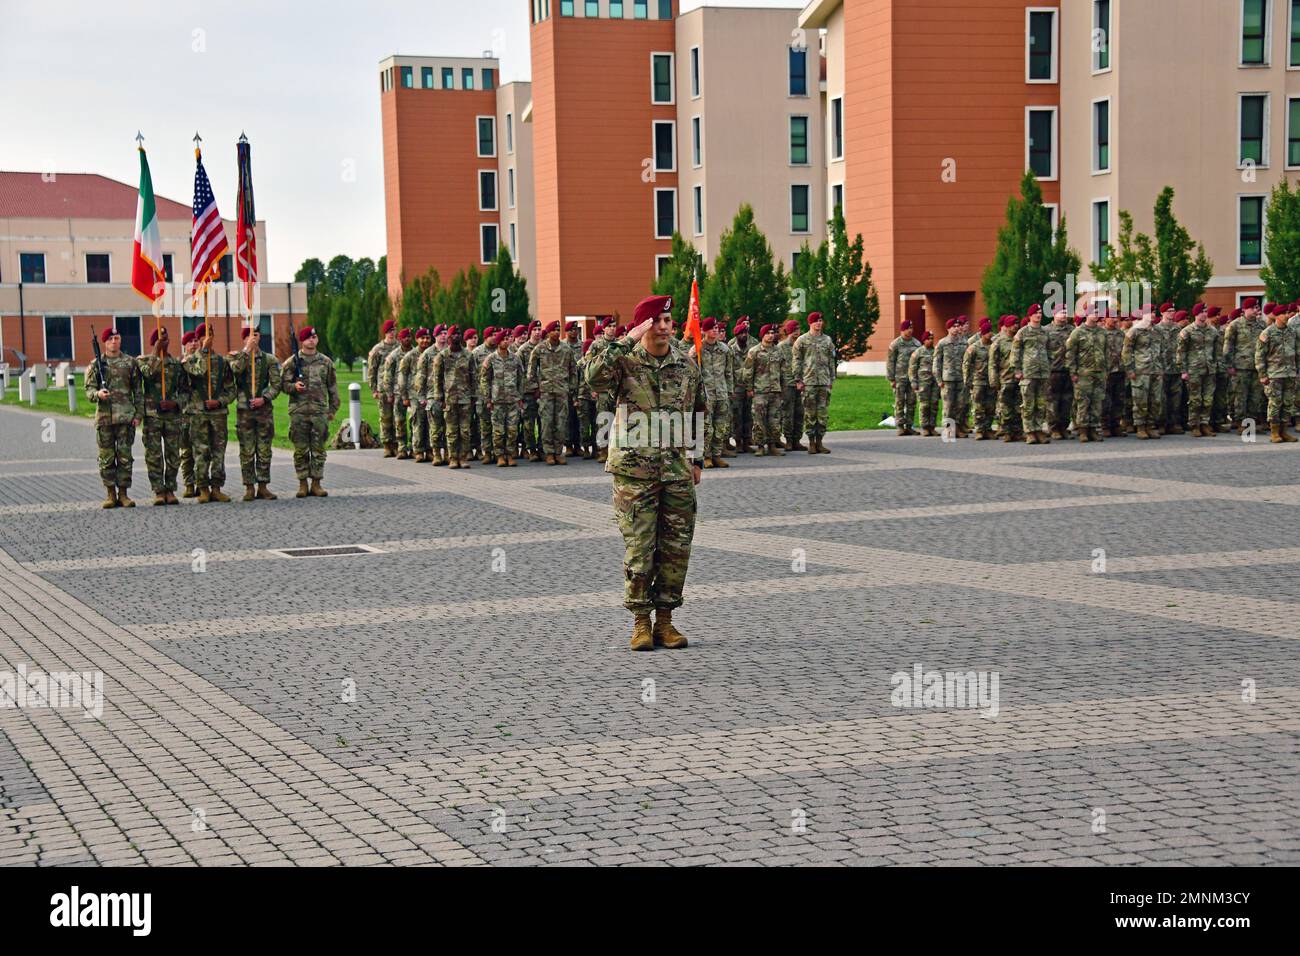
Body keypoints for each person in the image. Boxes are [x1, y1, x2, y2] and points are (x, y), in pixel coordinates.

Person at [585, 294, 704, 652]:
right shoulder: (623, 361)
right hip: (634, 473)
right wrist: (627, 337)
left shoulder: (685, 363)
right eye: (658, 321)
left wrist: (697, 459)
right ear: (644, 325)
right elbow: (593, 376)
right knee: (640, 549)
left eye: (669, 321)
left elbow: (699, 410)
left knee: (675, 548)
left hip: (676, 470)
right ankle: (640, 622)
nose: (666, 328)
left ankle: (665, 621)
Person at [86, 326, 143, 508]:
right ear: (104, 342)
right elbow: (88, 390)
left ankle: (124, 494)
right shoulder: (96, 365)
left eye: (117, 338)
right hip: (104, 418)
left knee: (125, 457)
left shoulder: (130, 363)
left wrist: (138, 414)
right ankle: (111, 494)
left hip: (126, 417)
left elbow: (138, 391)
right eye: (110, 339)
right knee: (106, 457)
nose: (114, 342)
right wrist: (98, 394)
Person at [280, 324, 340, 496]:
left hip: (319, 412)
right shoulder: (292, 362)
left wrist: (332, 409)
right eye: (308, 338)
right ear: (302, 341)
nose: (312, 340)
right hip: (298, 411)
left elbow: (333, 387)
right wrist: (293, 386)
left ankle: (316, 483)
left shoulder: (326, 362)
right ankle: (302, 484)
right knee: (300, 450)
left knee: (319, 449)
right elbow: (282, 385)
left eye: (314, 337)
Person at [183, 321, 236, 502]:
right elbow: (198, 371)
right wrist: (203, 352)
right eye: (205, 335)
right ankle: (203, 488)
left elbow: (231, 389)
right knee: (200, 452)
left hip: (218, 415)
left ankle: (216, 487)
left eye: (211, 334)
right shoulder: (190, 359)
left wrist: (220, 402)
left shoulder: (222, 362)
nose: (209, 338)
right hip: (198, 414)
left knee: (218, 452)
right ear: (198, 339)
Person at [228, 323, 282, 500]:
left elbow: (276, 385)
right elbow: (235, 370)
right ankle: (249, 487)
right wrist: (246, 350)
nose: (254, 338)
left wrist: (264, 398)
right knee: (247, 450)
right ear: (244, 338)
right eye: (250, 335)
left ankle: (263, 485)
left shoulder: (270, 360)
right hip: (245, 411)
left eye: (257, 335)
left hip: (263, 411)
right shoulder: (236, 357)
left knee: (264, 449)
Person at [137, 327, 187, 505]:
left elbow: (185, 392)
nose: (164, 341)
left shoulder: (175, 364)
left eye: (166, 339)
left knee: (173, 454)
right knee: (154, 454)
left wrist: (175, 403)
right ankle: (158, 490)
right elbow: (147, 373)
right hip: (152, 415)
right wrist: (155, 352)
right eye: (160, 339)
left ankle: (171, 489)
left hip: (172, 416)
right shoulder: (144, 360)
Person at [528, 320, 578, 465]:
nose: (556, 332)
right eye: (554, 330)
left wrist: (571, 388)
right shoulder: (539, 349)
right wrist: (535, 388)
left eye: (558, 329)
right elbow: (531, 371)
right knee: (546, 423)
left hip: (562, 391)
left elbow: (573, 370)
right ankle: (549, 453)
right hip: (546, 392)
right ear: (548, 333)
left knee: (561, 422)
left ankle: (558, 452)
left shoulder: (566, 349)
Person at [792, 311, 836, 453]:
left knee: (822, 413)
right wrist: (798, 380)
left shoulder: (827, 340)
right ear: (810, 323)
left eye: (821, 320)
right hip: (808, 381)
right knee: (810, 414)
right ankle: (811, 442)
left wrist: (831, 379)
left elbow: (831, 360)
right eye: (816, 321)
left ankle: (820, 442)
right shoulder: (802, 340)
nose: (819, 323)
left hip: (823, 381)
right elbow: (797, 361)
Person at [1256, 304, 1299, 442]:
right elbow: (1259, 356)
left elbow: (1297, 352)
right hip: (1274, 374)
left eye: (1287, 313)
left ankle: (1284, 431)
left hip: (1290, 373)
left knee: (1288, 403)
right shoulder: (1267, 333)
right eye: (1284, 313)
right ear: (1277, 316)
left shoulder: (1292, 332)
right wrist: (1262, 375)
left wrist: (1297, 370)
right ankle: (1274, 432)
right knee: (1275, 403)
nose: (1287, 316)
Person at [481, 331, 525, 466]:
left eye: (508, 339)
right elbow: (484, 379)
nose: (506, 341)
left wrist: (520, 396)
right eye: (503, 339)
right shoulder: (491, 359)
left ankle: (510, 454)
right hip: (497, 400)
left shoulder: (515, 358)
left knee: (512, 430)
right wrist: (488, 399)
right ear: (498, 342)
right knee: (498, 431)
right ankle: (499, 455)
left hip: (512, 400)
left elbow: (521, 378)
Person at [743, 323, 787, 456]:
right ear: (762, 335)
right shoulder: (754, 351)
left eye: (772, 333)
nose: (771, 335)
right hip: (760, 391)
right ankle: (760, 446)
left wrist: (783, 388)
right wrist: (749, 388)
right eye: (768, 333)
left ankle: (773, 445)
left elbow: (783, 371)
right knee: (759, 420)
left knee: (774, 420)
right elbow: (748, 371)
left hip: (775, 391)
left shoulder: (778, 351)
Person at [1010, 305, 1051, 444]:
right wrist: (1017, 370)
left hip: (1042, 372)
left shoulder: (1045, 332)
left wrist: (1048, 367)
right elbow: (1015, 352)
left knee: (1041, 404)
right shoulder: (1022, 332)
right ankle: (1029, 432)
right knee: (1028, 404)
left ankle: (1038, 429)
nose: (1038, 315)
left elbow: (1049, 351)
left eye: (1040, 313)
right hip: (1028, 373)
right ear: (1030, 315)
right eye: (1035, 313)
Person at [1065, 309, 1107, 442]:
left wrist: (1106, 370)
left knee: (1097, 401)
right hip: (1083, 373)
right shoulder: (1077, 332)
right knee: (1083, 401)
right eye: (1093, 313)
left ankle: (1093, 428)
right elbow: (1070, 353)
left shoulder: (1102, 332)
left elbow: (1106, 352)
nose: (1096, 315)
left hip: (1099, 372)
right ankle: (1082, 430)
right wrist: (1073, 371)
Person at [1178, 305, 1219, 437]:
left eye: (1206, 312)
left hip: (1209, 369)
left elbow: (1217, 351)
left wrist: (1217, 365)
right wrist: (1183, 370)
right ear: (1196, 314)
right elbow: (1181, 352)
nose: (1204, 314)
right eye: (1201, 312)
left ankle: (1204, 423)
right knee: (1195, 399)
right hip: (1193, 370)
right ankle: (1194, 424)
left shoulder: (1212, 331)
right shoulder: (1187, 331)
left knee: (1208, 399)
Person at [1225, 299, 1266, 432]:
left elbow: (1266, 346)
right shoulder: (1235, 325)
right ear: (1245, 309)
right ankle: (1240, 423)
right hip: (1240, 367)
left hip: (1257, 366)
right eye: (1253, 308)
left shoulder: (1261, 324)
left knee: (1255, 397)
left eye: (1257, 307)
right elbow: (1228, 347)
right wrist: (1229, 365)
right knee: (1240, 396)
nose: (1256, 310)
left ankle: (1251, 424)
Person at [1122, 305, 1162, 440]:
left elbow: (1160, 350)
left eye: (1153, 312)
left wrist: (1160, 367)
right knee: (1140, 400)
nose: (1152, 314)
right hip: (1140, 371)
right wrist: (1130, 369)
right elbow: (1126, 352)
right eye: (1149, 312)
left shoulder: (1157, 330)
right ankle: (1140, 426)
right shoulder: (1134, 331)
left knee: (1155, 400)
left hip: (1155, 370)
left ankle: (1150, 425)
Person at [698, 317, 733, 468]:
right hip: (706, 394)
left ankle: (717, 455)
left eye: (717, 328)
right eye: (712, 328)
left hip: (722, 392)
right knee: (706, 427)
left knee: (721, 426)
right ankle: (706, 456)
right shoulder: (697, 349)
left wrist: (729, 390)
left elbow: (729, 372)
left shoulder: (725, 349)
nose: (716, 330)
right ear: (704, 331)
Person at [367, 319, 401, 457]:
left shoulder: (400, 347)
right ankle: (387, 445)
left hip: (398, 387)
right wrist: (373, 389)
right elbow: (372, 370)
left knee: (398, 417)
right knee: (385, 417)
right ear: (385, 332)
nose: (392, 333)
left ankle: (398, 444)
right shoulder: (377, 349)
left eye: (394, 330)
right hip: (383, 388)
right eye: (389, 331)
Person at [381, 327, 414, 458]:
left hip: (413, 392)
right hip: (398, 392)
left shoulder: (416, 352)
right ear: (400, 339)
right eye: (405, 337)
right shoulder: (393, 355)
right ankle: (401, 447)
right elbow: (387, 376)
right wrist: (389, 393)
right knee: (399, 421)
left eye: (409, 337)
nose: (408, 339)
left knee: (413, 421)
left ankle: (413, 447)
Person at [933, 316, 968, 437]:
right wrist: (938, 379)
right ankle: (948, 429)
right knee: (948, 406)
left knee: (960, 405)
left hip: (961, 378)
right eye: (954, 326)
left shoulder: (964, 342)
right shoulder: (942, 343)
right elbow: (937, 362)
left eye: (958, 326)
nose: (957, 328)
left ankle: (957, 428)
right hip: (947, 379)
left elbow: (967, 361)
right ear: (948, 328)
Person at [988, 316, 1022, 441]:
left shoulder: (1019, 340)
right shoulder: (998, 342)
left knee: (1019, 407)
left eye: (1017, 323)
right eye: (1013, 324)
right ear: (1007, 326)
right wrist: (993, 380)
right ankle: (1007, 432)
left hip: (1019, 379)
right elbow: (993, 363)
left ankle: (1018, 431)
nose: (1016, 326)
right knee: (1006, 407)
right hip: (1005, 379)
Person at [886, 319, 920, 435]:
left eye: (911, 328)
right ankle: (900, 426)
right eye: (907, 328)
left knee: (911, 402)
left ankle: (909, 426)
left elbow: (919, 362)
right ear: (902, 330)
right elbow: (891, 362)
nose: (910, 331)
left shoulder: (916, 344)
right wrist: (891, 379)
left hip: (912, 378)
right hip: (899, 377)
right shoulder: (895, 344)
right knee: (900, 402)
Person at [963, 318, 995, 440]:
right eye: (988, 332)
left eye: (991, 331)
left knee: (990, 406)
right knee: (978, 406)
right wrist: (968, 380)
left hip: (990, 380)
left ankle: (988, 428)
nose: (990, 334)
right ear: (982, 333)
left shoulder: (993, 346)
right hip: (978, 381)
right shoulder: (974, 347)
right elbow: (966, 364)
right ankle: (980, 430)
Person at [1044, 306, 1073, 439]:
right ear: (1054, 314)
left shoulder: (1072, 330)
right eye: (1061, 312)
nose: (1064, 315)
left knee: (1067, 400)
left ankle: (1064, 427)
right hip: (1053, 370)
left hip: (1068, 370)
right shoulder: (1046, 331)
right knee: (1052, 401)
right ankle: (1054, 428)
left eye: (1066, 313)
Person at [178, 330, 200, 497]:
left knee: (201, 451)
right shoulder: (178, 364)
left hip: (201, 413)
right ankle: (189, 484)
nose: (194, 344)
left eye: (196, 340)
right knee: (186, 452)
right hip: (184, 414)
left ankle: (201, 483)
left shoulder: (202, 362)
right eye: (190, 341)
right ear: (184, 345)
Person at [778, 319, 806, 450]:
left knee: (800, 413)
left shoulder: (802, 344)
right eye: (794, 330)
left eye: (798, 329)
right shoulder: (782, 347)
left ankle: (797, 440)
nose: (797, 332)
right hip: (787, 384)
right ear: (789, 331)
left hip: (802, 383)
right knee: (788, 413)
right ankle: (788, 439)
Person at [728, 318, 754, 452]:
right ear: (736, 336)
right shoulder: (730, 349)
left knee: (748, 415)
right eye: (741, 333)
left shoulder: (752, 348)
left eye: (745, 333)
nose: (744, 335)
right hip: (736, 387)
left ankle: (746, 441)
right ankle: (738, 442)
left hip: (750, 387)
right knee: (737, 416)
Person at [909, 330, 938, 436]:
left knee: (934, 404)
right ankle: (925, 427)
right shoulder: (918, 352)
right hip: (923, 383)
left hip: (934, 382)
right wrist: (914, 382)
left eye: (932, 338)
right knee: (924, 405)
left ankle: (932, 427)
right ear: (924, 340)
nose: (931, 341)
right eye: (928, 339)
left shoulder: (936, 351)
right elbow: (912, 368)